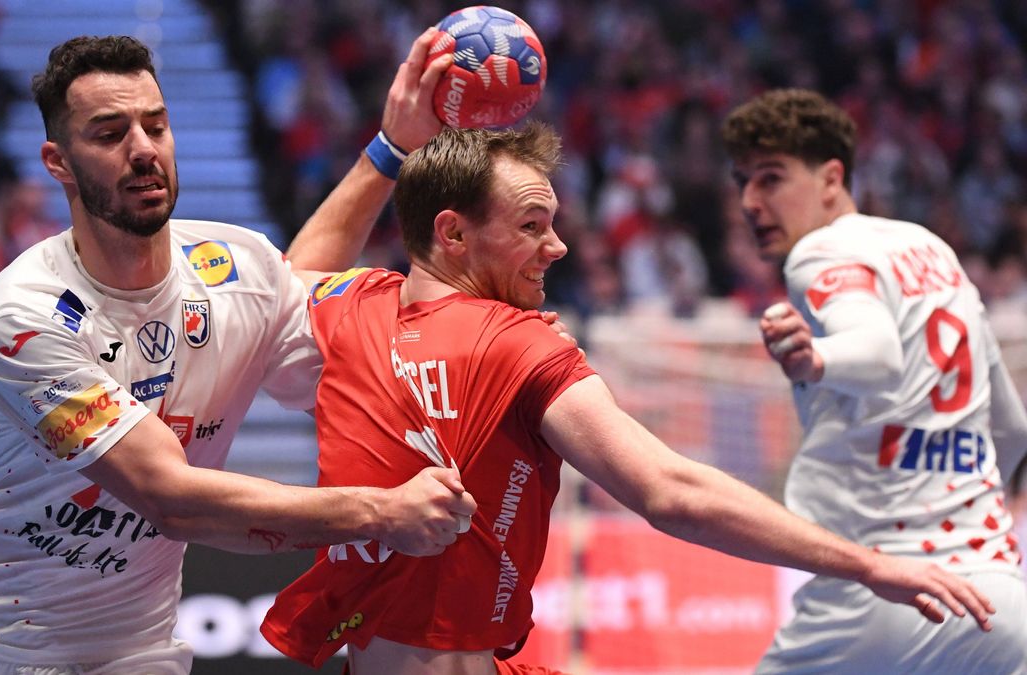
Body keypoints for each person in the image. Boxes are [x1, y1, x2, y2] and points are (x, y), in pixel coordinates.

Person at [260, 122, 998, 675]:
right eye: (531, 226)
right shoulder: (518, 342)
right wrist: (869, 565)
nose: (559, 248)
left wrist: (391, 143)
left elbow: (290, 275)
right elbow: (670, 490)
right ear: (452, 232)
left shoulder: (350, 304)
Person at [0, 33, 478, 674]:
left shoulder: (235, 263)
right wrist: (380, 511)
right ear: (58, 162)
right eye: (108, 134)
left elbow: (283, 292)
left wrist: (394, 151)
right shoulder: (22, 315)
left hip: (133, 653)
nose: (143, 149)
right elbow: (169, 497)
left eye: (155, 125)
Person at [721, 88, 1027, 674]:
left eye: (771, 178)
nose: (750, 202)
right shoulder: (931, 248)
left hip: (885, 595)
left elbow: (877, 351)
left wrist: (817, 358)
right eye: (742, 182)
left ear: (831, 178)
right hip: (997, 597)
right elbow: (1010, 428)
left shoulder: (821, 251)